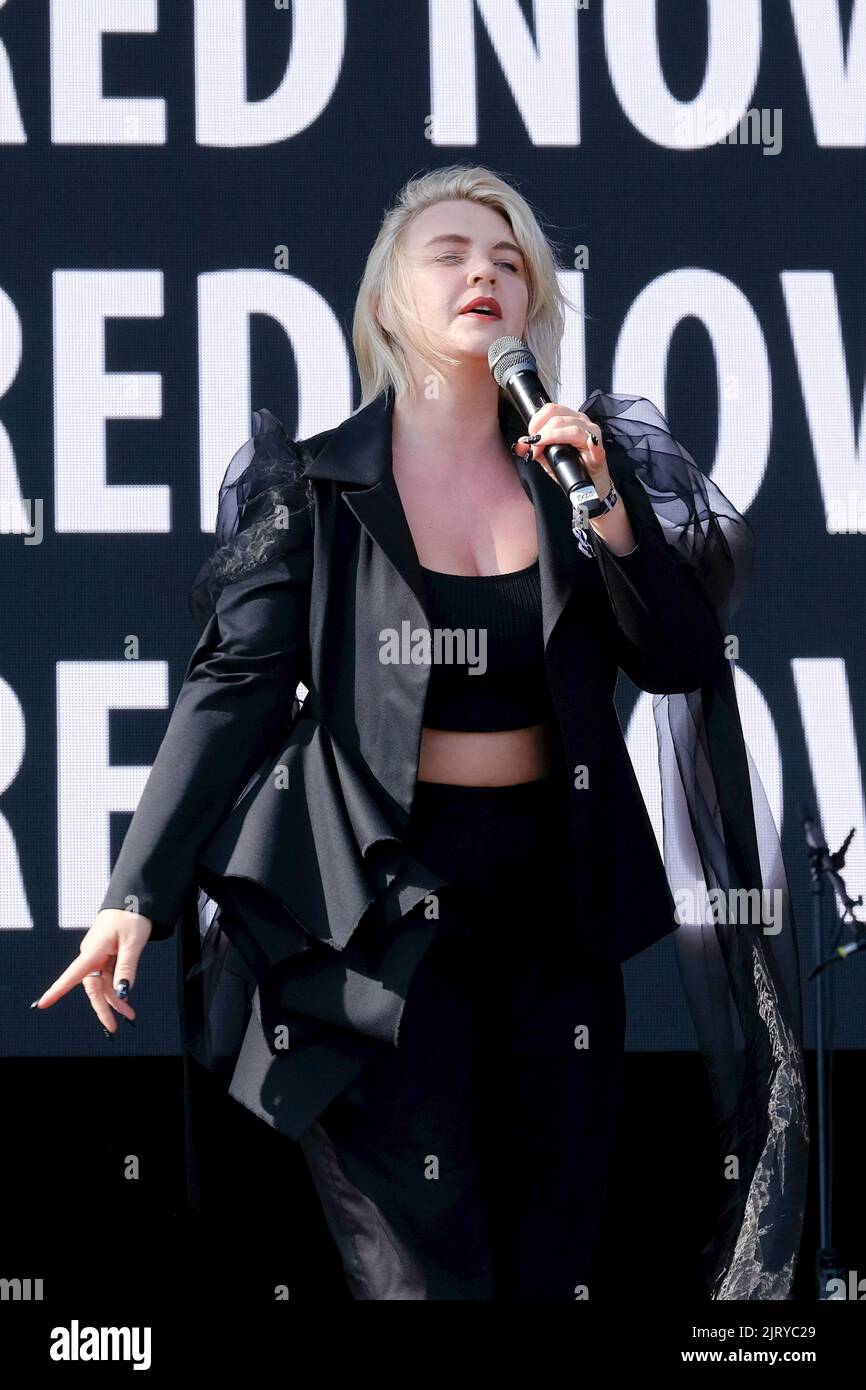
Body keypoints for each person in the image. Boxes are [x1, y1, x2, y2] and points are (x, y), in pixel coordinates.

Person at [32, 164, 808, 1301]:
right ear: (389, 302)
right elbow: (232, 691)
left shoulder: (578, 467)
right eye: (447, 254)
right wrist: (132, 894)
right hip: (377, 916)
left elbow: (682, 660)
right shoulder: (314, 485)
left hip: (553, 912)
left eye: (506, 262)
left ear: (533, 303)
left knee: (548, 1260)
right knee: (421, 1276)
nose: (481, 274)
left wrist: (606, 511)